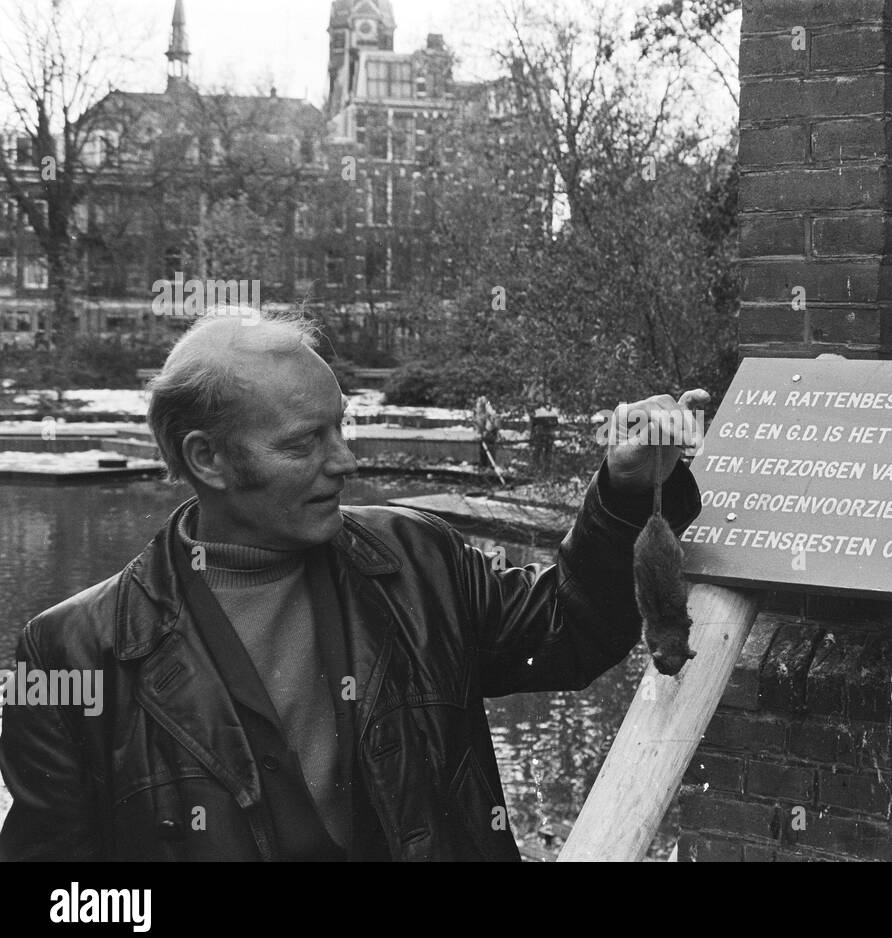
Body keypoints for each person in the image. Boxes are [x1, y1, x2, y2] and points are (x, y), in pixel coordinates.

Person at [0, 308, 704, 861]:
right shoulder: (73, 652)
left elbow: (570, 633)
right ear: (207, 459)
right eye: (305, 443)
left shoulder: (418, 559)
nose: (344, 460)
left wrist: (624, 493)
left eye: (341, 427)